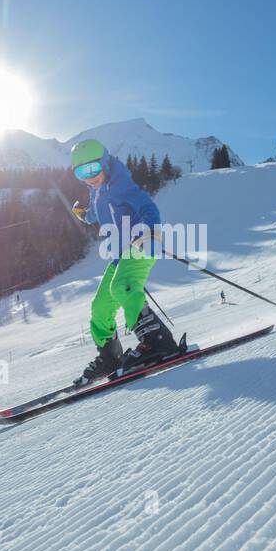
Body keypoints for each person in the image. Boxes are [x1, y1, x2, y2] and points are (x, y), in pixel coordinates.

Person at [69, 139, 178, 384]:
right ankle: (110, 356)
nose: (89, 177)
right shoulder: (97, 191)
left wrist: (149, 231)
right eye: (81, 172)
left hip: (141, 246)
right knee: (100, 307)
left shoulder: (121, 185)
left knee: (122, 286)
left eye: (93, 169)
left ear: (105, 162)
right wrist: (84, 215)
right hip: (119, 256)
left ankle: (157, 341)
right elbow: (96, 213)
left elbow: (148, 208)